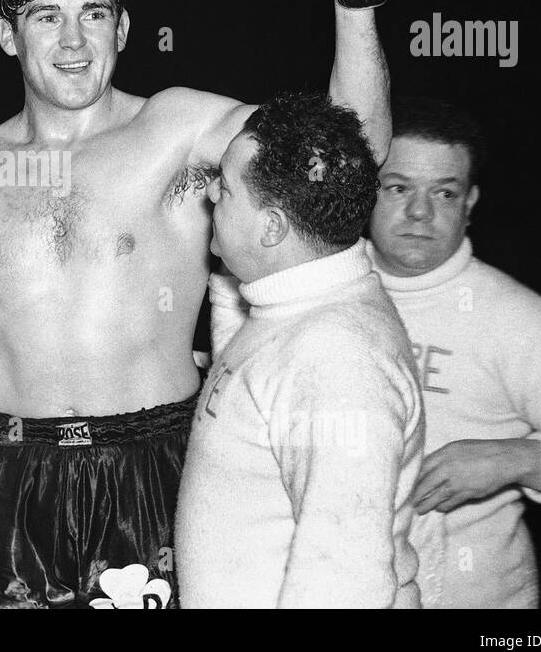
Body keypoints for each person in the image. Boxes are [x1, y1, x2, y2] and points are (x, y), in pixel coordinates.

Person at [0, 0, 408, 607]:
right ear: (10, 36)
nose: (74, 42)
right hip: (5, 479)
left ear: (124, 28)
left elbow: (349, 152)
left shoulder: (177, 131)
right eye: (48, 17)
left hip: (154, 471)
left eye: (94, 14)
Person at [366, 97, 541, 608]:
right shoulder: (316, 291)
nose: (420, 212)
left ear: (469, 203)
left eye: (444, 193)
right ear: (366, 190)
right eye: (398, 187)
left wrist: (523, 457)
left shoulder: (514, 318)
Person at [175, 93, 423, 607]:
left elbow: (345, 579)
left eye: (227, 185)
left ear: (272, 227)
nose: (212, 192)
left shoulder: (338, 358)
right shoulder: (296, 309)